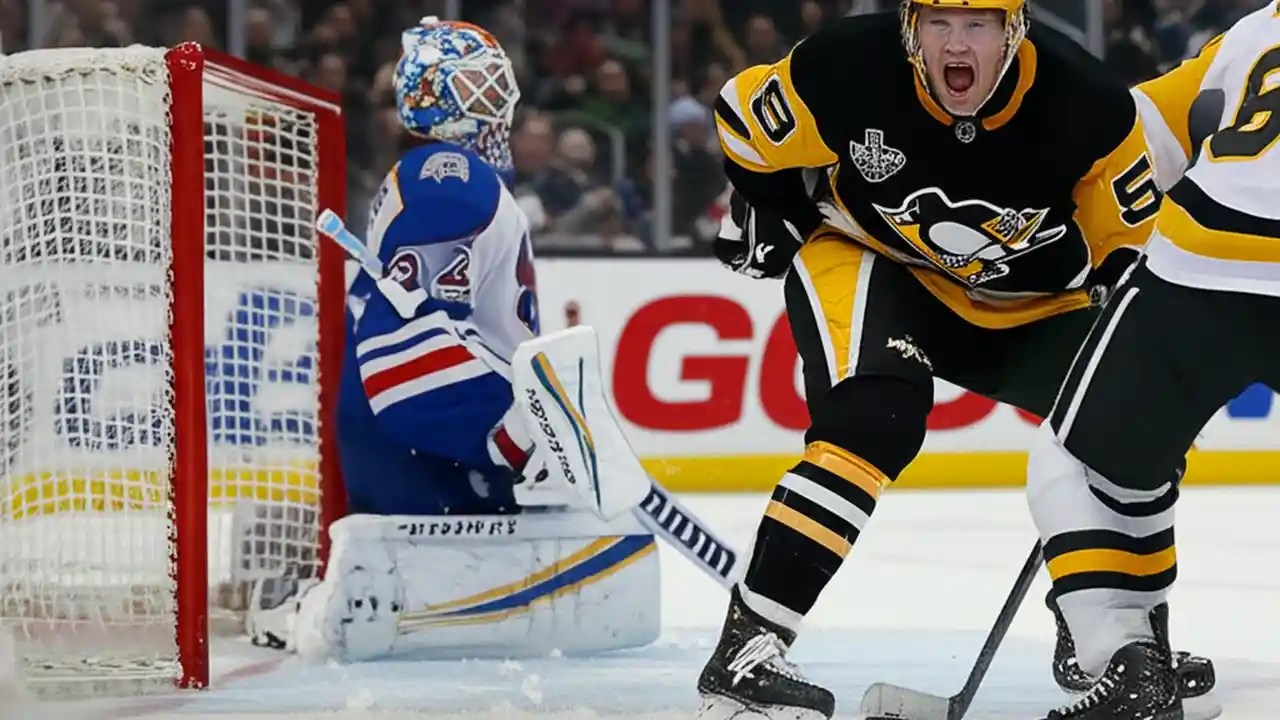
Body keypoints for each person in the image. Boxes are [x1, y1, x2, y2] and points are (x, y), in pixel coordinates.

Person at [697, 1, 1212, 717]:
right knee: (873, 420)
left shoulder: (1088, 107)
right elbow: (742, 120)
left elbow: (1127, 255)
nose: (956, 44)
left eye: (977, 26)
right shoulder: (845, 66)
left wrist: (1139, 354)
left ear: (1013, 32)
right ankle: (747, 648)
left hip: (1033, 304)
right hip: (879, 262)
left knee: (1134, 427)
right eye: (939, 23)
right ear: (911, 27)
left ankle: (1119, 645)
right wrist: (775, 205)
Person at [248, 18, 659, 663]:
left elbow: (443, 325)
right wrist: (511, 431)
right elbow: (400, 354)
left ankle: (311, 598)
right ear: (442, 98)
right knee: (401, 626)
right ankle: (304, 607)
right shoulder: (451, 178)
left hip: (427, 439)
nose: (499, 102)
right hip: (422, 444)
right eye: (481, 86)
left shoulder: (450, 178)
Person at [1030, 5, 1280, 718]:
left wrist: (1103, 224)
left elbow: (1150, 127)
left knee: (1078, 464)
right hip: (1207, 258)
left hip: (1202, 261)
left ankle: (1130, 664)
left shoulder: (1259, 27)